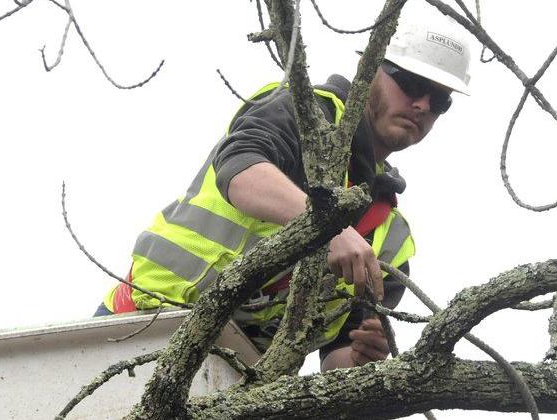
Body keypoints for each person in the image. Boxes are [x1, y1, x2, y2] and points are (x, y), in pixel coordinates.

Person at [95, 19, 471, 371]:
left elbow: (334, 361)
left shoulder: (392, 241)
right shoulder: (307, 113)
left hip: (241, 377)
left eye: (439, 100)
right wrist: (331, 231)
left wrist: (362, 358)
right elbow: (240, 170)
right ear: (370, 68)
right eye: (408, 82)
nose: (422, 105)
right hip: (145, 326)